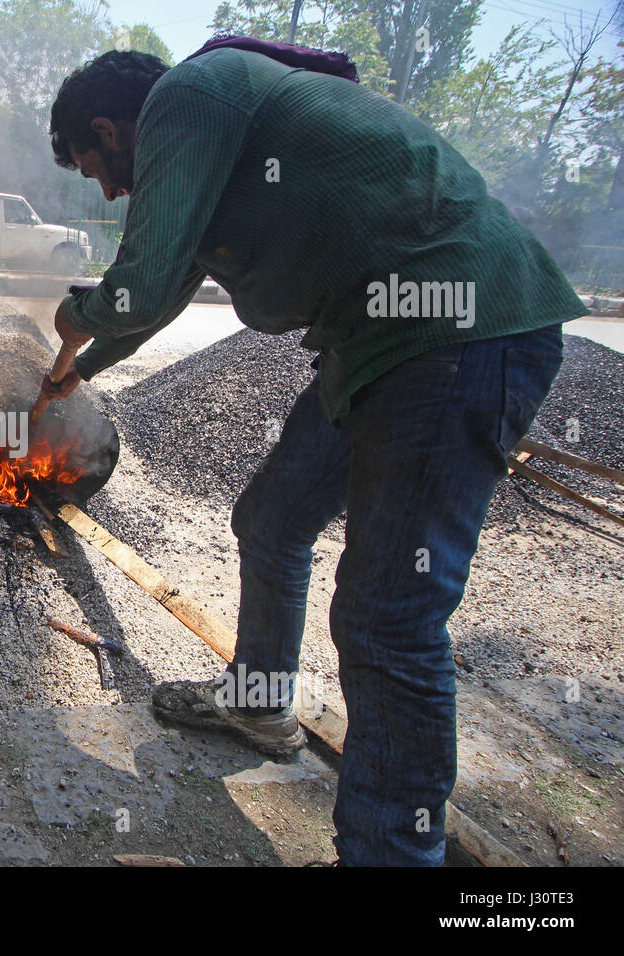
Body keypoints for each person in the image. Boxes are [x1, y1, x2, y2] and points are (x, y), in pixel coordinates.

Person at [35, 38, 587, 866]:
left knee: (386, 616)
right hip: (379, 346)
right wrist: (72, 376)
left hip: (456, 334)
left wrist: (73, 320)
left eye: (96, 167)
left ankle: (390, 853)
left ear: (111, 128)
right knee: (274, 517)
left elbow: (136, 287)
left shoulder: (191, 95)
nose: (111, 190)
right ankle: (260, 701)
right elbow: (158, 295)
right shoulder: (209, 140)